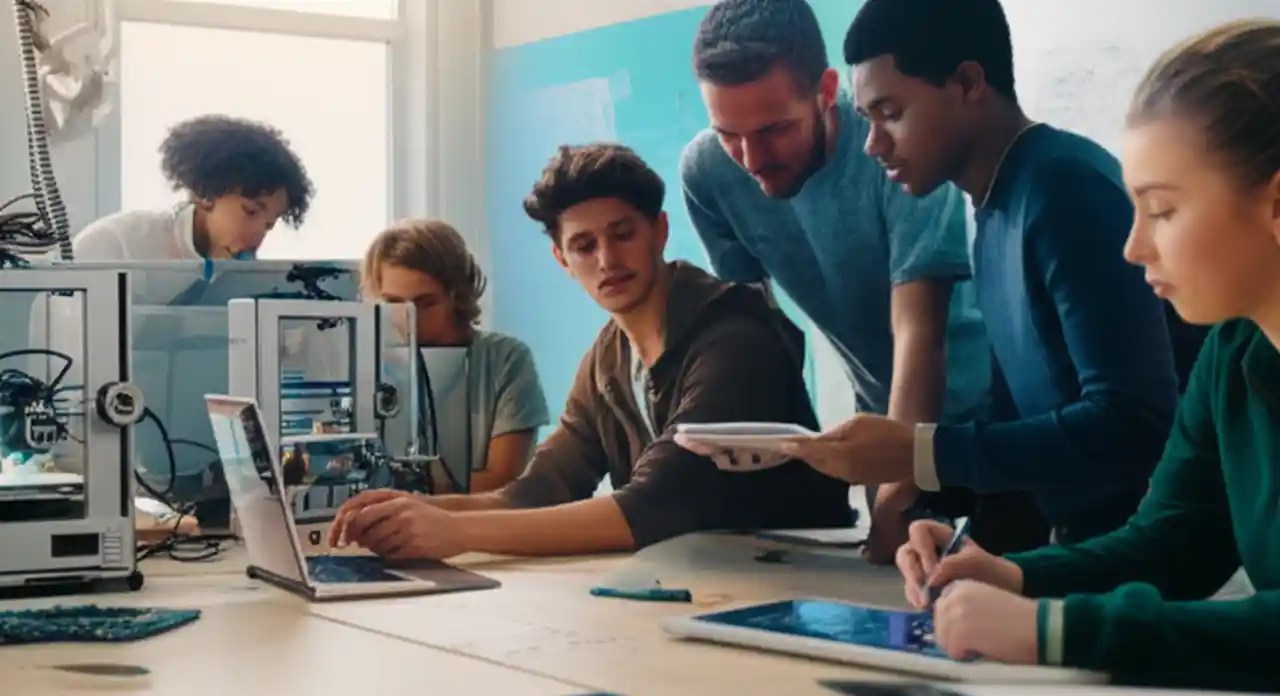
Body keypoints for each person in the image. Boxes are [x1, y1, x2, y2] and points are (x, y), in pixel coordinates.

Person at [891, 19, 1280, 691]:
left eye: (1160, 210)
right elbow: (1173, 543)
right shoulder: (1232, 352)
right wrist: (1012, 576)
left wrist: (1057, 632)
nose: (1132, 248)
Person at [783, 0, 1198, 545]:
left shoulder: (1064, 189)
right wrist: (960, 540)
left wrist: (921, 453)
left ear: (968, 83)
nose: (873, 144)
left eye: (890, 112)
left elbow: (1134, 423)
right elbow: (1017, 432)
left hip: (1158, 581)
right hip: (1081, 561)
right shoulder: (995, 207)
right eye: (867, 119)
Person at [327, 143, 852, 559]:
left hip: (797, 585)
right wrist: (413, 509)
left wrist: (453, 531)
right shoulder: (608, 357)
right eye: (584, 246)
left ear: (660, 232)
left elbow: (648, 508)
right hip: (700, 582)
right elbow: (542, 487)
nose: (607, 259)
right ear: (562, 258)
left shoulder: (734, 338)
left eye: (623, 234)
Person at [678, 0, 1037, 561]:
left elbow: (922, 336)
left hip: (987, 428)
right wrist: (779, 460)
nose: (750, 159)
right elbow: (756, 334)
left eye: (775, 130)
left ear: (825, 90)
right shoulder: (706, 172)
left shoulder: (899, 150)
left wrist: (896, 497)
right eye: (729, 133)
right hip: (880, 427)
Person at [360, 218, 550, 493]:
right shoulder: (368, 366)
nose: (408, 319)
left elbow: (502, 482)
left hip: (478, 530)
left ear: (457, 294)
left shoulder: (506, 360)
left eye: (425, 304)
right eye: (394, 304)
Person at [73, 114, 313, 261]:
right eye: (250, 212)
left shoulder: (240, 279)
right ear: (205, 192)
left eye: (269, 225)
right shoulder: (116, 244)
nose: (257, 235)